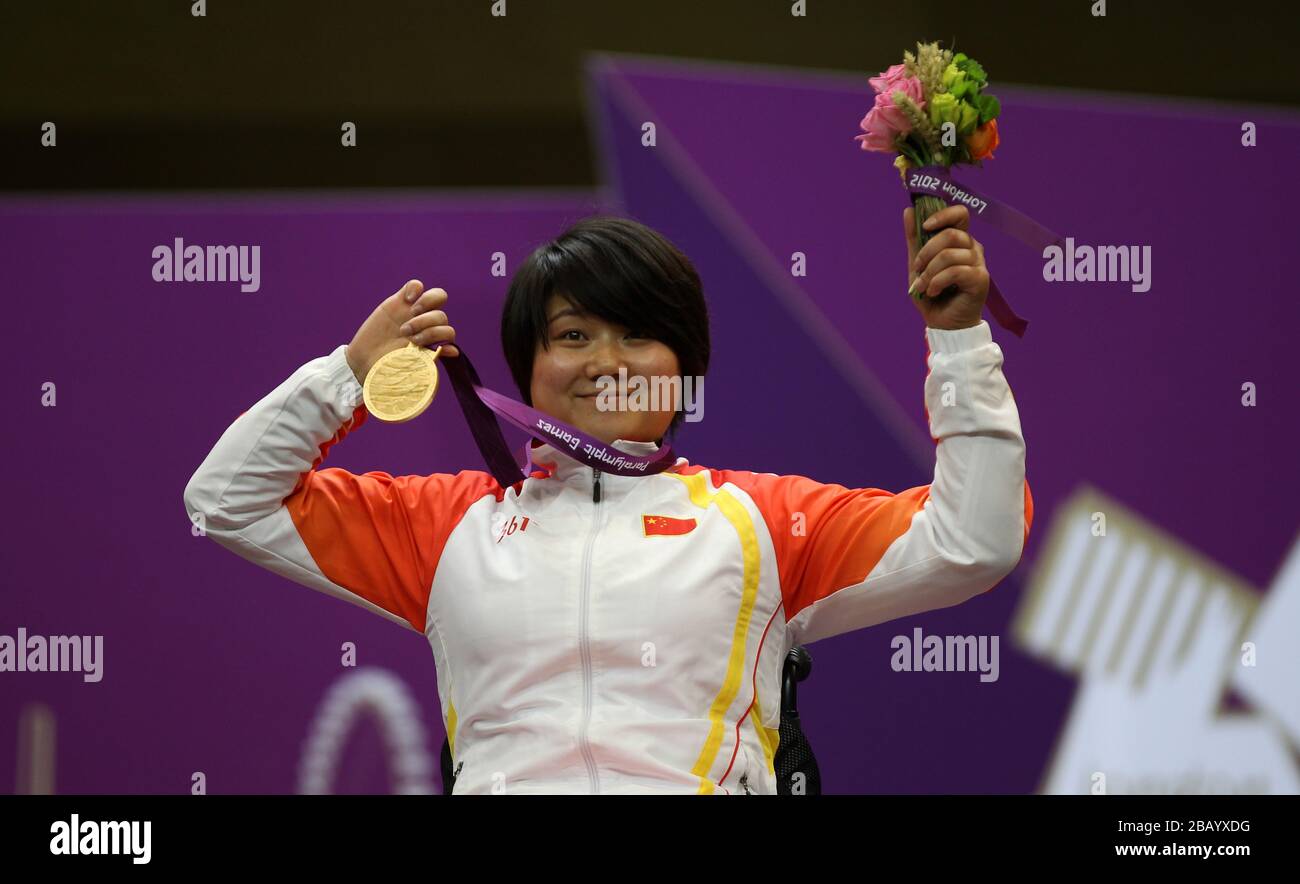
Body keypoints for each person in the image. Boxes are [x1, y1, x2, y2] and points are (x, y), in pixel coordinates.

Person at [183, 209, 1032, 795]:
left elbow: (972, 539)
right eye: (572, 335)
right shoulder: (448, 528)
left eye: (637, 334)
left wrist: (957, 339)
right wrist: (348, 377)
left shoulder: (760, 524)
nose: (603, 360)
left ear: (684, 364)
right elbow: (226, 501)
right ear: (527, 367)